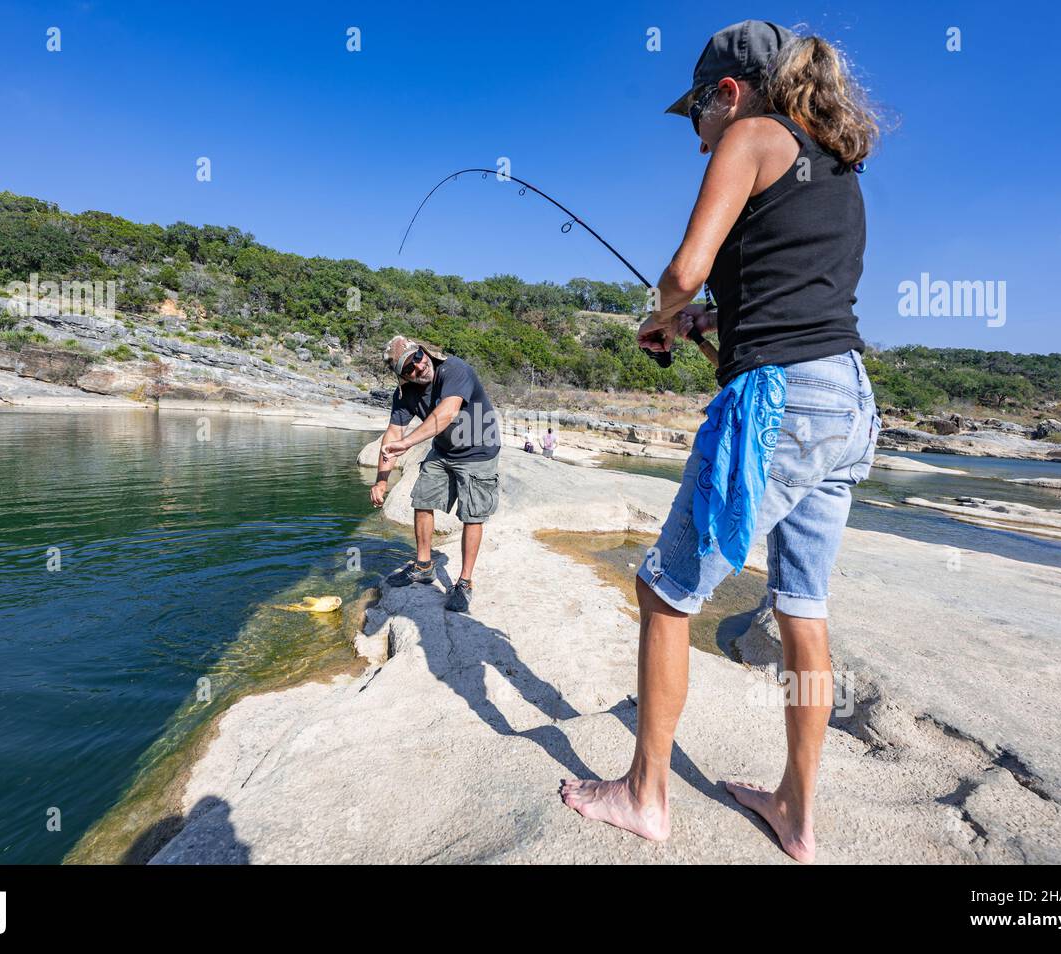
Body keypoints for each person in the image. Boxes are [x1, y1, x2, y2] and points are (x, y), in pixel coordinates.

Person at [560, 20, 883, 863]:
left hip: (784, 400)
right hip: (848, 397)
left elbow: (683, 269)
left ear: (729, 92)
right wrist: (708, 325)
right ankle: (797, 813)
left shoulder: (748, 135)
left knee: (665, 591)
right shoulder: (837, 168)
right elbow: (789, 291)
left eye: (696, 110)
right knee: (801, 607)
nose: (695, 131)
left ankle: (644, 795)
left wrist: (662, 316)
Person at [371, 336, 501, 613]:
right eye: (409, 369)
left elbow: (448, 411)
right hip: (443, 450)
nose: (418, 367)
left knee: (472, 515)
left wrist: (407, 443)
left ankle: (464, 583)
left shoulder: (455, 369)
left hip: (478, 450)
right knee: (422, 499)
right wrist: (381, 480)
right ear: (402, 377)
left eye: (417, 358)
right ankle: (423, 566)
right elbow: (394, 432)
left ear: (423, 351)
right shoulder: (405, 395)